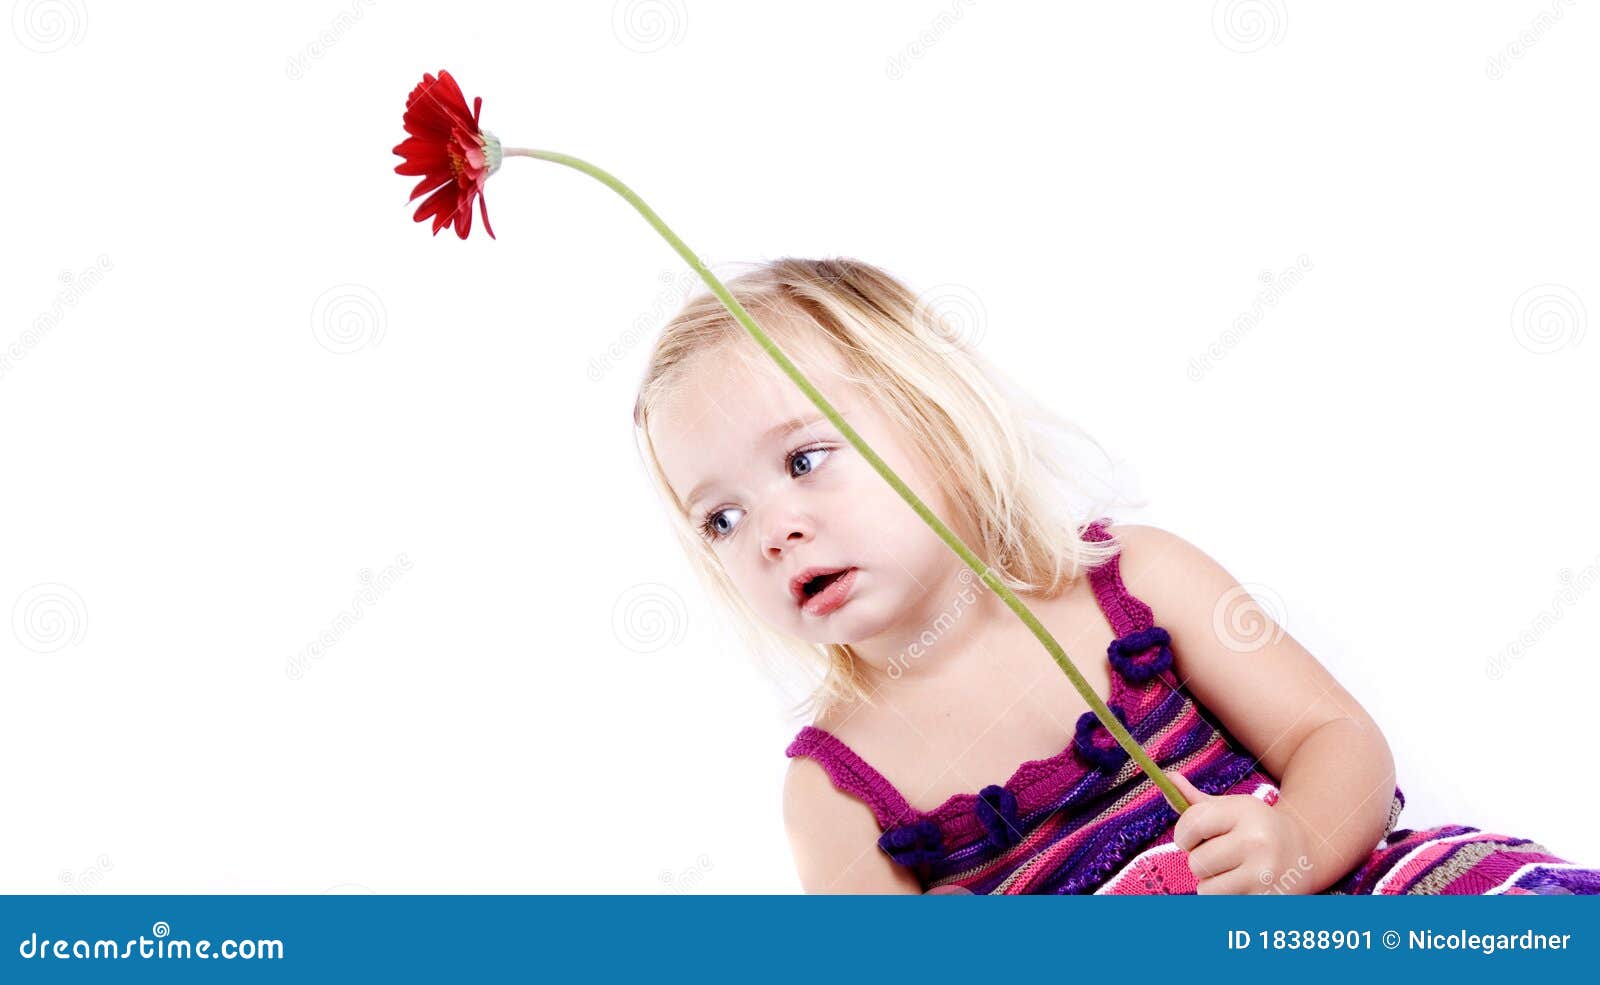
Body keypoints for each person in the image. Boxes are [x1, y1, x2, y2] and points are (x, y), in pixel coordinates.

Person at [631, 256, 1599, 895]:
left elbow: (1332, 736)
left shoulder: (1133, 580)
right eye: (720, 517)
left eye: (803, 460)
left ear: (936, 418)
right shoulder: (835, 791)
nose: (773, 530)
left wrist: (1297, 842)